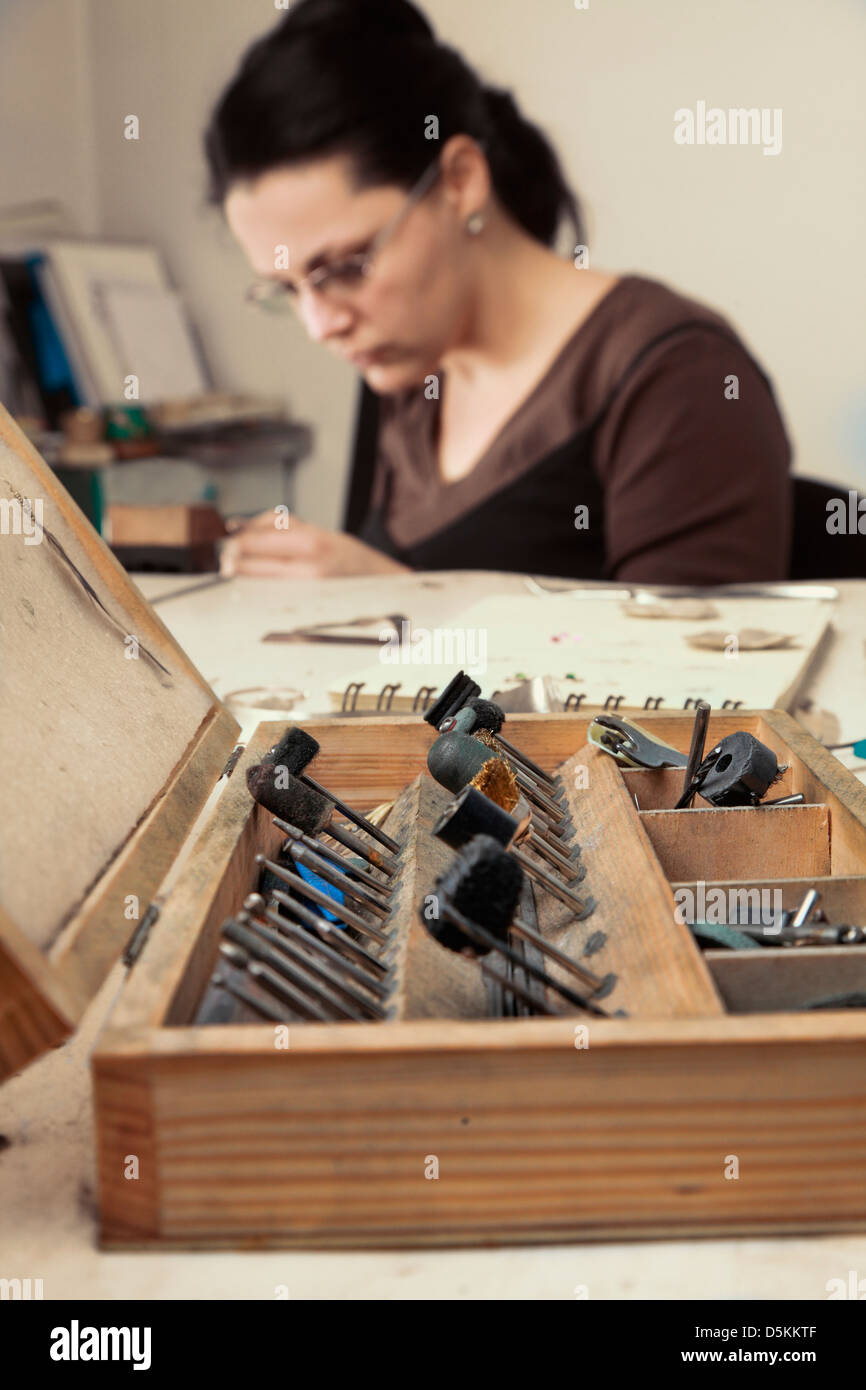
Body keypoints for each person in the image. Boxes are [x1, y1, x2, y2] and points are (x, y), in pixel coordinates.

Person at [205, 0, 792, 584]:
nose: (321, 324)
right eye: (286, 289)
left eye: (346, 267)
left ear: (460, 181)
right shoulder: (412, 376)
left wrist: (400, 602)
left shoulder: (679, 376)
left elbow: (691, 673)